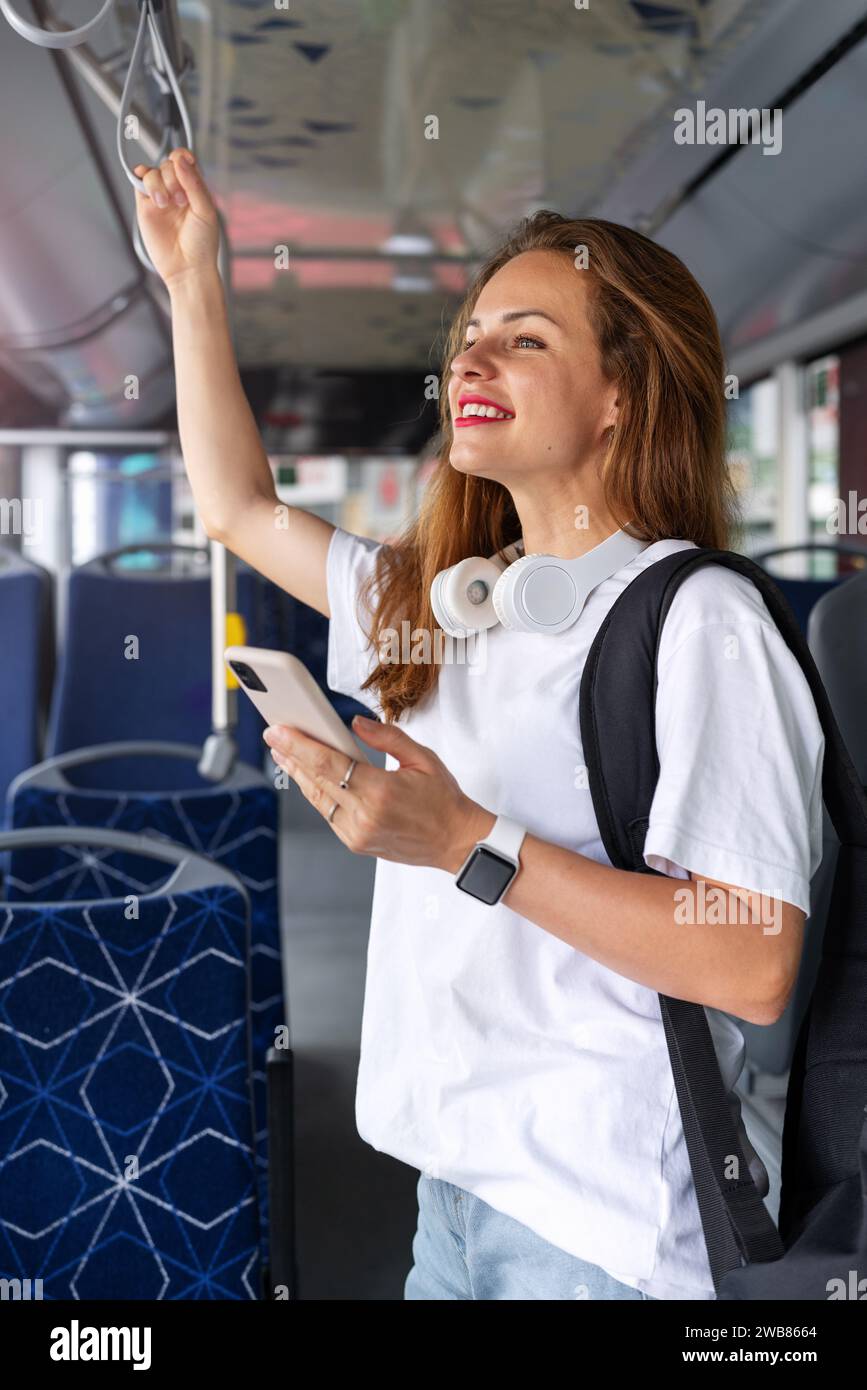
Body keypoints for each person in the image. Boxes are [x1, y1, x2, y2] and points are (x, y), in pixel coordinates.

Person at [135, 151, 825, 1300]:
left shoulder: (698, 619)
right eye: (471, 334)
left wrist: (465, 841)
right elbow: (238, 508)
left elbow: (753, 958)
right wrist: (194, 277)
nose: (473, 355)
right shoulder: (445, 603)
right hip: (451, 1196)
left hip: (594, 1226)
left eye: (528, 338)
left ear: (623, 393)